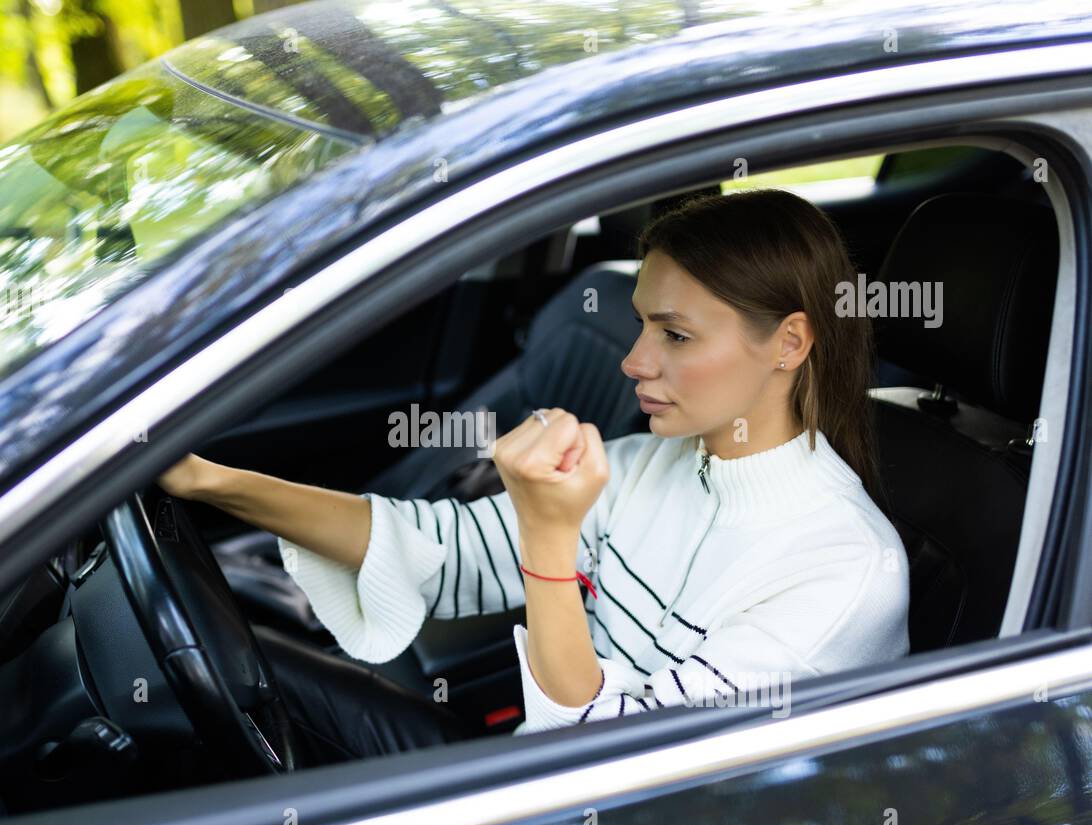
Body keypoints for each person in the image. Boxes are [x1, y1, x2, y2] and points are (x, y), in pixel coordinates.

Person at [156, 188, 910, 762]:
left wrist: (548, 542)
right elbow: (434, 548)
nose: (634, 361)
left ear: (788, 343)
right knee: (257, 672)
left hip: (620, 818)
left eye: (674, 334)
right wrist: (207, 482)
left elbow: (621, 768)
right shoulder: (652, 464)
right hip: (545, 775)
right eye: (643, 323)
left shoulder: (844, 570)